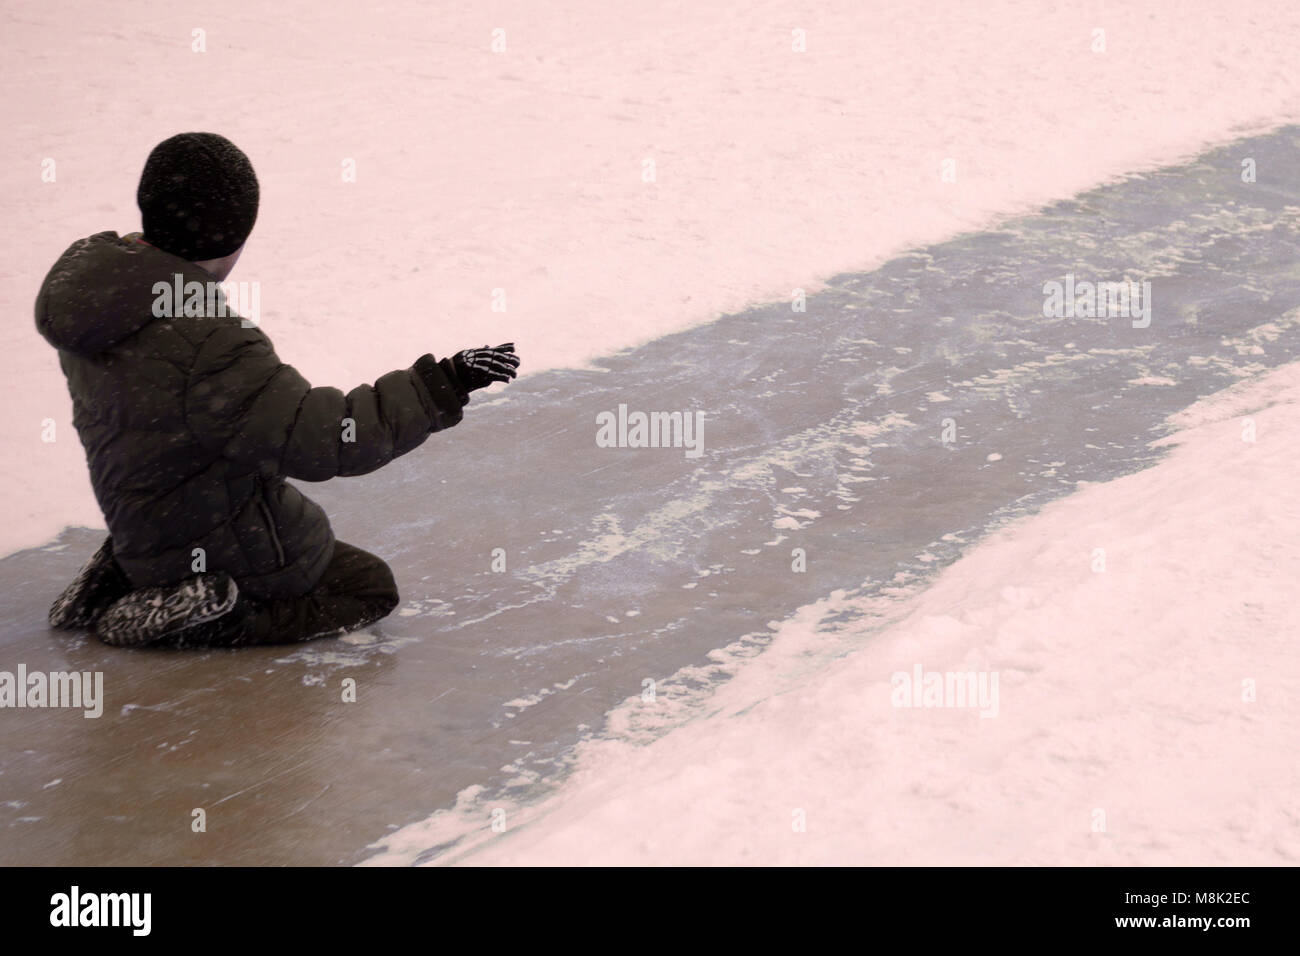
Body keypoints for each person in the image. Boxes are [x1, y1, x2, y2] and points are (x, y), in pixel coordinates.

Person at [36, 132, 519, 647]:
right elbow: (323, 439)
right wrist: (438, 386)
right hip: (215, 541)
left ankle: (122, 576)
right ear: (236, 237)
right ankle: (209, 615)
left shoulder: (103, 299)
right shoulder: (206, 343)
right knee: (366, 585)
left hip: (143, 524)